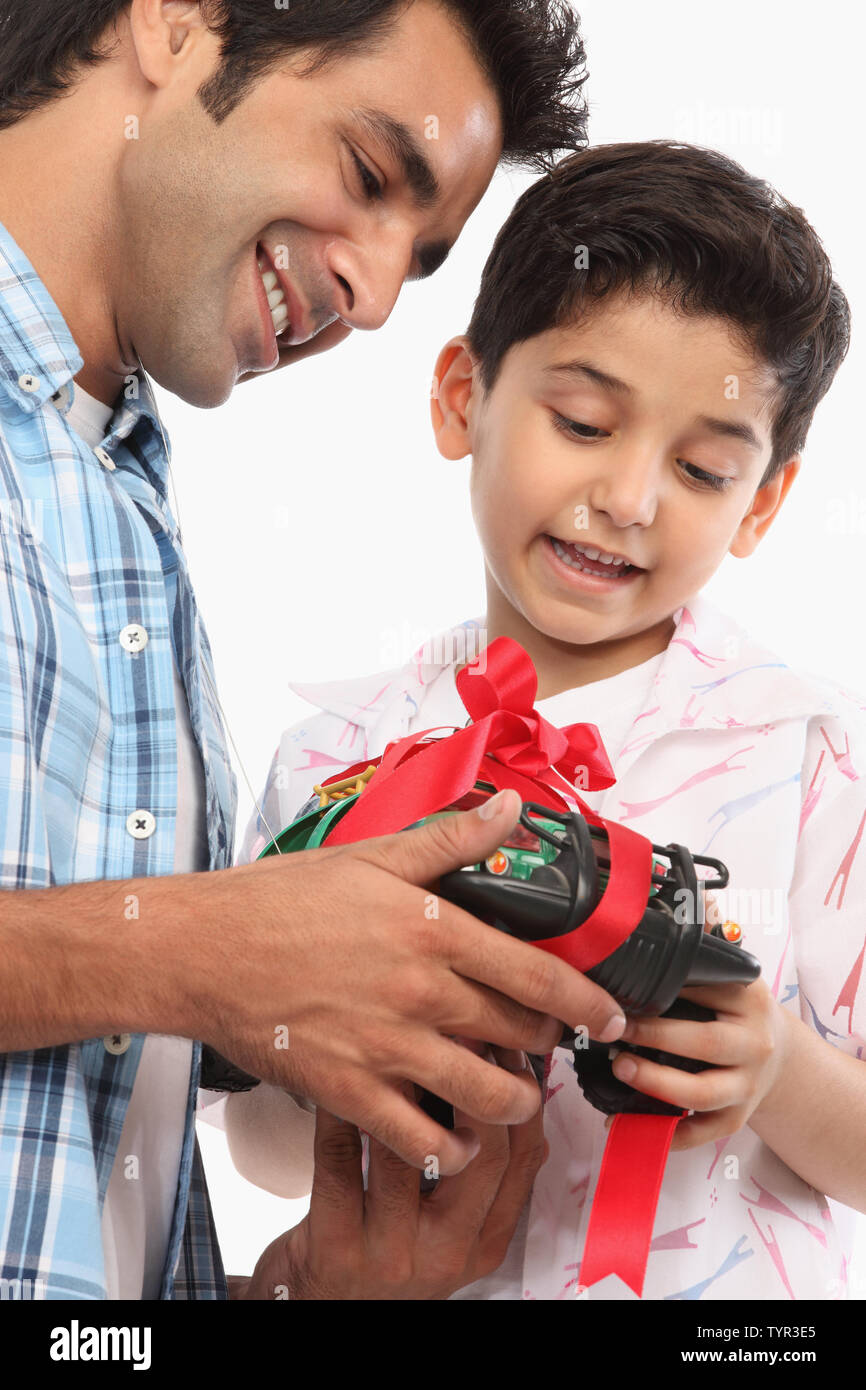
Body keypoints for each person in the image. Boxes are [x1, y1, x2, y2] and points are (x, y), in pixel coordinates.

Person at [0, 0, 633, 1302]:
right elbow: (186, 953)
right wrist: (194, 953)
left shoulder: (119, 503)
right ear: (177, 24)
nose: (382, 294)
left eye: (422, 247)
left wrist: (303, 1292)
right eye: (366, 171)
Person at [234, 140, 866, 1299]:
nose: (626, 499)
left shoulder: (808, 754)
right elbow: (263, 1158)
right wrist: (344, 1044)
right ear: (461, 397)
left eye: (700, 467)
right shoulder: (328, 761)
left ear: (762, 502)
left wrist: (772, 1070)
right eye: (580, 423)